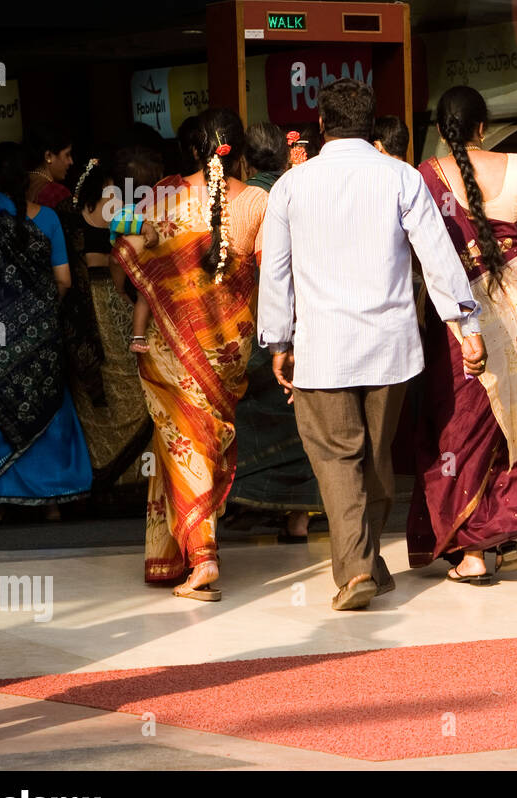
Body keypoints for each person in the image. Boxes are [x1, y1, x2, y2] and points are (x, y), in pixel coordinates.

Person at [259, 78, 485, 610]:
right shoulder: (402, 178)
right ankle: (372, 564)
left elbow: (277, 272)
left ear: (321, 125)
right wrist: (465, 325)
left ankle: (355, 570)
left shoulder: (292, 186)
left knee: (339, 459)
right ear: (369, 124)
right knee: (375, 456)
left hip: (322, 348)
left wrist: (277, 340)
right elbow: (438, 257)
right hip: (391, 349)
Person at [406, 85, 517, 583]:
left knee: (460, 425)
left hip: (461, 317)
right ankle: (507, 539)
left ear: (440, 131)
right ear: (482, 128)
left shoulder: (425, 177)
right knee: (508, 423)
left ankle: (474, 552)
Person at [113, 108, 267, 600]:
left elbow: (129, 269)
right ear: (238, 150)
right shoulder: (257, 200)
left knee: (184, 443)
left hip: (171, 345)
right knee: (205, 440)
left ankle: (201, 559)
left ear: (193, 150)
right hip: (229, 347)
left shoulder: (160, 197)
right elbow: (274, 274)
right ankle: (181, 552)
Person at [0, 142, 93, 525]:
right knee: (47, 410)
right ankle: (50, 503)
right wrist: (34, 317)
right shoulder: (46, 219)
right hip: (38, 342)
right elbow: (62, 281)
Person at [227, 122, 322, 542]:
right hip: (306, 318)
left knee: (246, 411)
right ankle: (298, 519)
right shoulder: (301, 192)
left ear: (245, 160)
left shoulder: (241, 198)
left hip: (250, 323)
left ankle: (245, 499)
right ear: (288, 156)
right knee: (298, 416)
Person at [64, 151, 155, 500]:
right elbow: (139, 226)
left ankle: (99, 472)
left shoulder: (71, 215)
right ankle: (133, 476)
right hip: (108, 300)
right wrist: (148, 233)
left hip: (81, 310)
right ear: (106, 185)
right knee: (132, 381)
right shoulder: (113, 208)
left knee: (94, 386)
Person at [24, 124, 74, 209]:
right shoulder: (56, 193)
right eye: (67, 155)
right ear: (48, 156)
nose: (71, 161)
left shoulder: (20, 184)